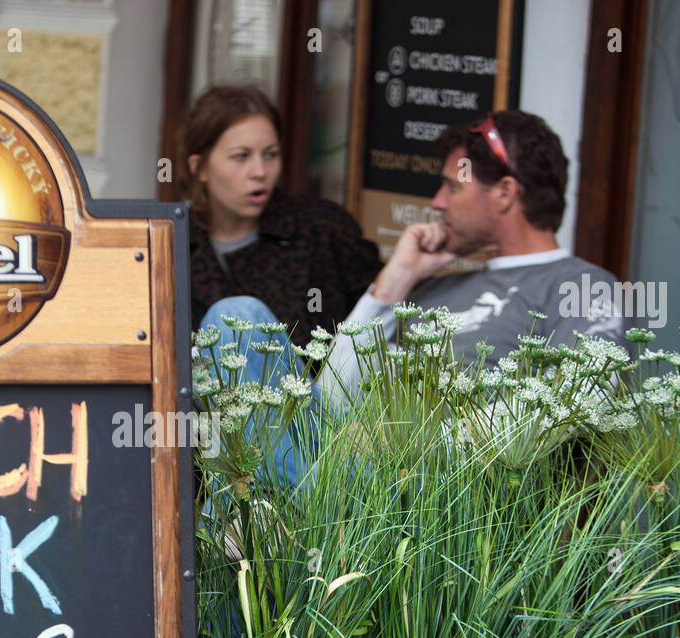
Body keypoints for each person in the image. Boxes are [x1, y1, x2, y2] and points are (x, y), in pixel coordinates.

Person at [319, 109, 627, 406]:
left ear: (505, 193)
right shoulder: (429, 288)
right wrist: (395, 280)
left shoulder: (582, 286)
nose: (437, 202)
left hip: (442, 457)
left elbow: (582, 396)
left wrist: (426, 441)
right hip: (349, 454)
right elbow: (331, 397)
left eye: (453, 187)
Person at [181, 85, 383, 349]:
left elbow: (382, 320)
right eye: (241, 156)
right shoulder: (175, 244)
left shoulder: (322, 227)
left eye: (270, 155)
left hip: (316, 388)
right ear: (200, 168)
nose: (260, 171)